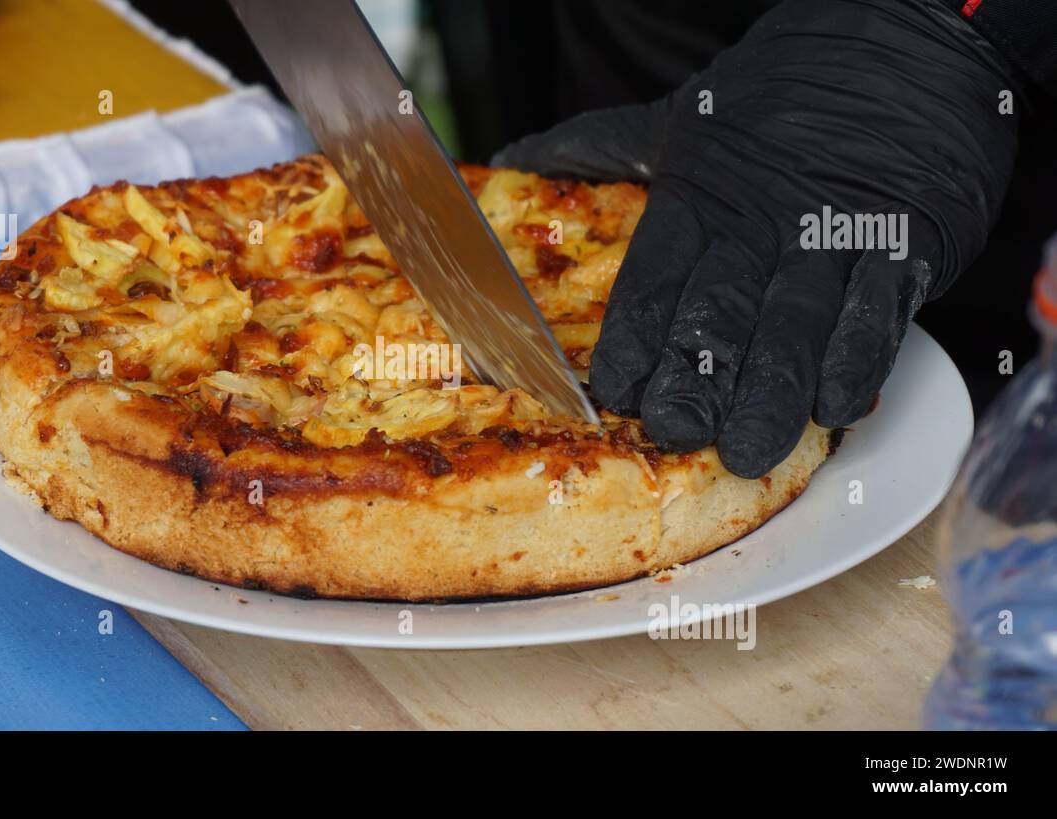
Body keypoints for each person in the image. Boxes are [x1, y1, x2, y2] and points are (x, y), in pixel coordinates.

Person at [432, 0, 1057, 477]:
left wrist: (972, 20)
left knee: (907, 362)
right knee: (669, 276)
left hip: (952, 83)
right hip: (670, 39)